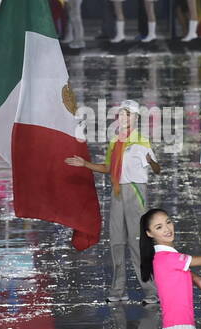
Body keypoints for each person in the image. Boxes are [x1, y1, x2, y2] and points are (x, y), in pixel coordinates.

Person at [66, 100, 161, 303]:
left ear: (136, 118)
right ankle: (118, 291)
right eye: (122, 114)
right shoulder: (115, 141)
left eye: (129, 115)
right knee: (116, 242)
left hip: (135, 193)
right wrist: (85, 164)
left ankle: (151, 292)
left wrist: (152, 161)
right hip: (117, 192)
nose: (125, 118)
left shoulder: (141, 141)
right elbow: (109, 168)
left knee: (137, 244)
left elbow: (156, 169)